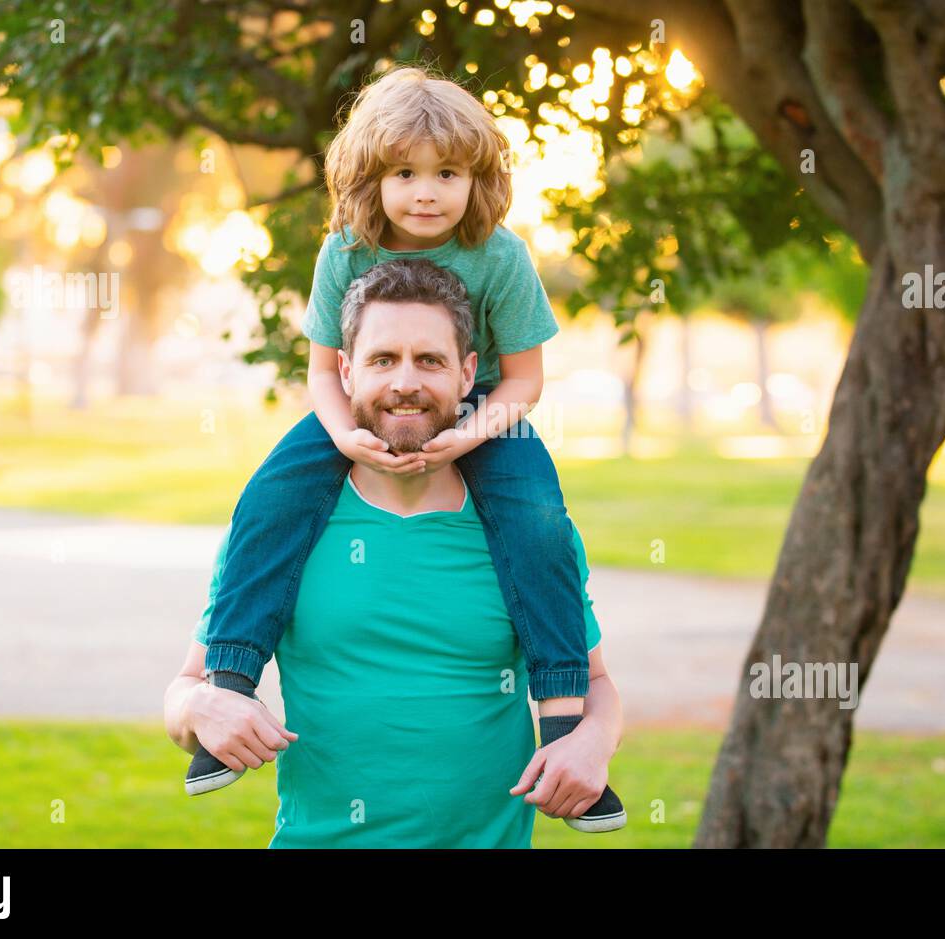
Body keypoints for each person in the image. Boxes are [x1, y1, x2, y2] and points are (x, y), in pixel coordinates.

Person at [187, 65, 621, 826]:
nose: (427, 192)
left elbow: (523, 382)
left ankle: (561, 720)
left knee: (538, 520)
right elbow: (325, 372)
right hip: (351, 411)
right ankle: (227, 682)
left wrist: (466, 434)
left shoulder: (500, 255)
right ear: (371, 177)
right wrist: (344, 432)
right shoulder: (344, 250)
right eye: (406, 173)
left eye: (447, 173)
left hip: (481, 410)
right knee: (269, 500)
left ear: (476, 177)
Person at [164, 258, 625, 846]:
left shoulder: (528, 534)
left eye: (429, 360)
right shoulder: (275, 530)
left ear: (468, 375)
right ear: (345, 372)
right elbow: (184, 691)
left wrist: (592, 737)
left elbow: (598, 681)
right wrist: (203, 706)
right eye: (383, 360)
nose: (405, 382)